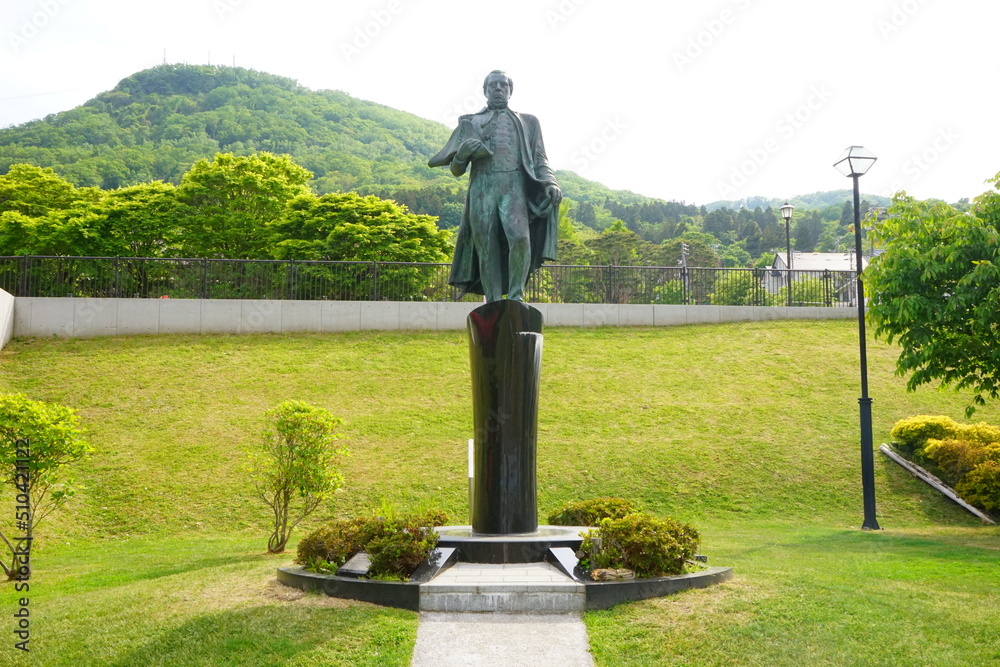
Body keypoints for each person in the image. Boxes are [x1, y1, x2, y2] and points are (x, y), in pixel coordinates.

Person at [429, 70, 562, 302]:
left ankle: (515, 296)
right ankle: (491, 300)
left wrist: (550, 181)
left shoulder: (529, 122)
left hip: (514, 186)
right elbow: (456, 170)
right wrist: (461, 155)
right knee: (486, 245)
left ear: (511, 90)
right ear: (484, 90)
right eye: (493, 85)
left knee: (520, 238)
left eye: (503, 85)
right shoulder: (469, 122)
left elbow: (540, 158)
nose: (498, 88)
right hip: (482, 187)